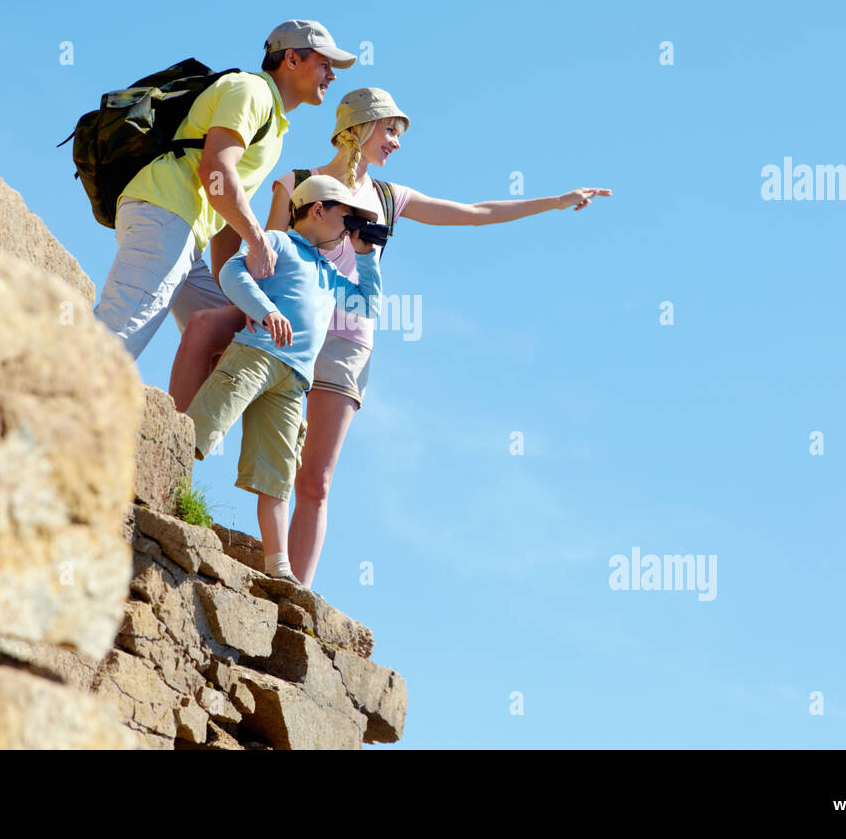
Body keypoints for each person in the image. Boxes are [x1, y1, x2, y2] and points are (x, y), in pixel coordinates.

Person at [171, 87, 612, 587]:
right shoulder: (294, 184)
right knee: (221, 365)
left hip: (346, 344)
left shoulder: (389, 198)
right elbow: (264, 258)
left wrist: (555, 201)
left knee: (314, 480)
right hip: (286, 327)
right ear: (357, 128)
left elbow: (474, 212)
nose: (397, 143)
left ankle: (292, 593)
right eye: (390, 130)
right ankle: (169, 461)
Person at [92, 19, 356, 359]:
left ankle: (191, 413)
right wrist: (258, 240)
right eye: (324, 64)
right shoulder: (252, 91)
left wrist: (244, 297)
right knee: (119, 332)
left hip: (183, 231)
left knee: (234, 336)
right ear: (291, 59)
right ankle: (60, 400)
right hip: (166, 214)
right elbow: (215, 170)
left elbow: (228, 211)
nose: (331, 75)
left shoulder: (275, 125)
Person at [185, 175, 382, 585]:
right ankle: (164, 483)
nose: (349, 230)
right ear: (318, 209)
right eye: (346, 218)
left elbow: (367, 305)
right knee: (206, 423)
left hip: (293, 381)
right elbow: (233, 272)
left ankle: (279, 567)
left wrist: (365, 257)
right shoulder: (278, 242)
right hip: (257, 353)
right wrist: (265, 311)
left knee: (277, 475)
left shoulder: (330, 274)